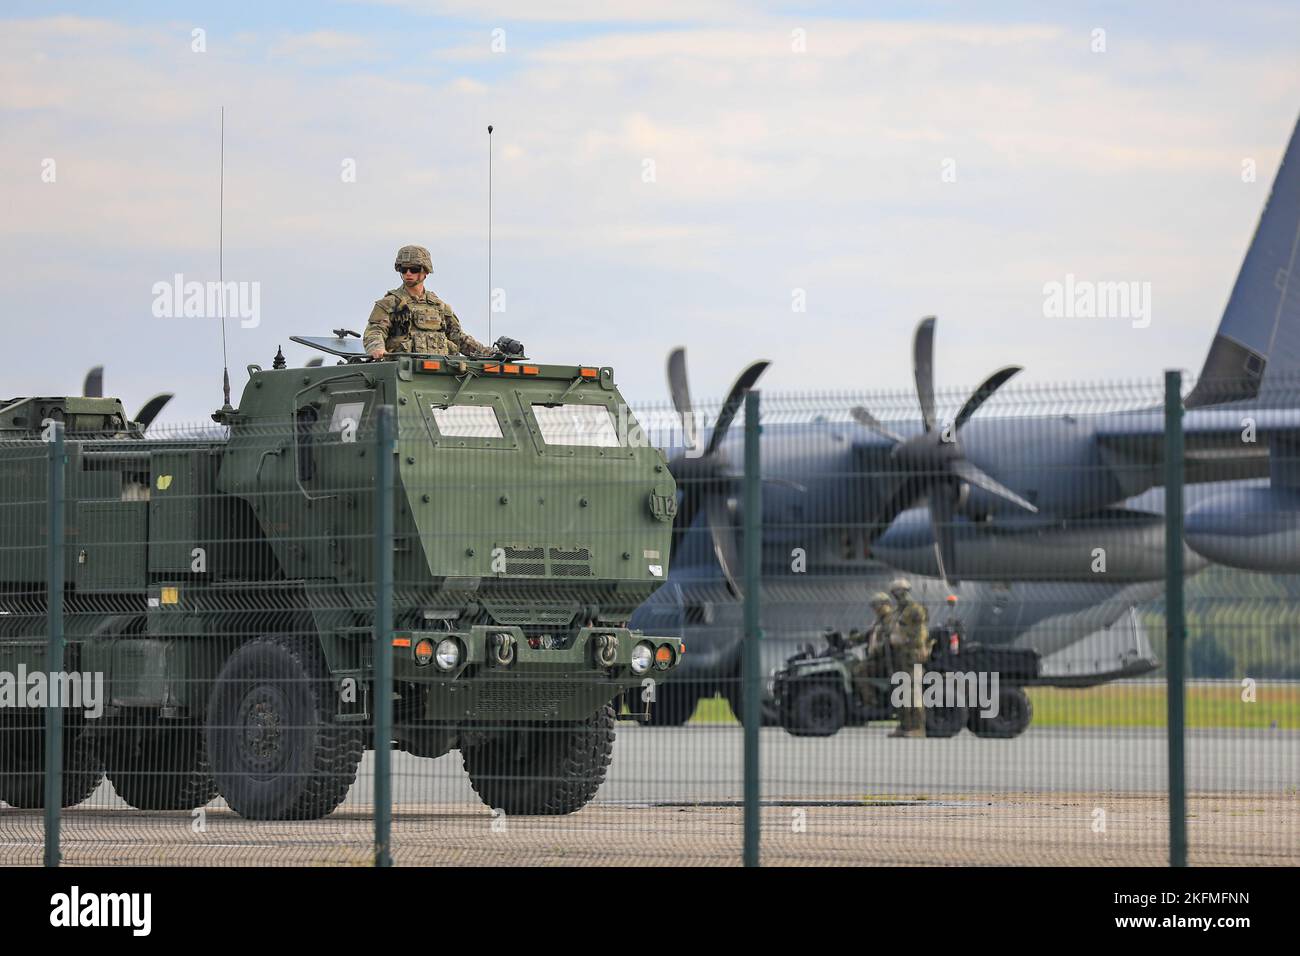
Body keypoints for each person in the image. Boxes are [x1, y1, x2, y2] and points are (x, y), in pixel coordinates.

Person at [364, 245, 491, 359]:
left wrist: (487, 353)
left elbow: (458, 338)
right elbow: (375, 331)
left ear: (425, 271)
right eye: (404, 269)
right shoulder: (389, 304)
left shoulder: (439, 306)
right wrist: (377, 348)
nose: (408, 273)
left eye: (413, 269)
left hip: (440, 371)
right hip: (403, 371)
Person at [888, 577, 930, 738]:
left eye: (899, 592)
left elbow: (921, 631)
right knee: (901, 691)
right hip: (900, 655)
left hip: (912, 654)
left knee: (914, 691)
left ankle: (918, 728)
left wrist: (911, 642)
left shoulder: (914, 609)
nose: (897, 595)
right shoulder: (899, 610)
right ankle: (905, 726)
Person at [849, 592, 895, 705]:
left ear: (884, 605)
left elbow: (888, 642)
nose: (874, 609)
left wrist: (873, 654)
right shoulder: (879, 620)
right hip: (876, 658)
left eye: (876, 605)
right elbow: (868, 635)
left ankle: (870, 702)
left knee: (859, 670)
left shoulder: (891, 620)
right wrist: (852, 639)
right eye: (873, 606)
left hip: (887, 660)